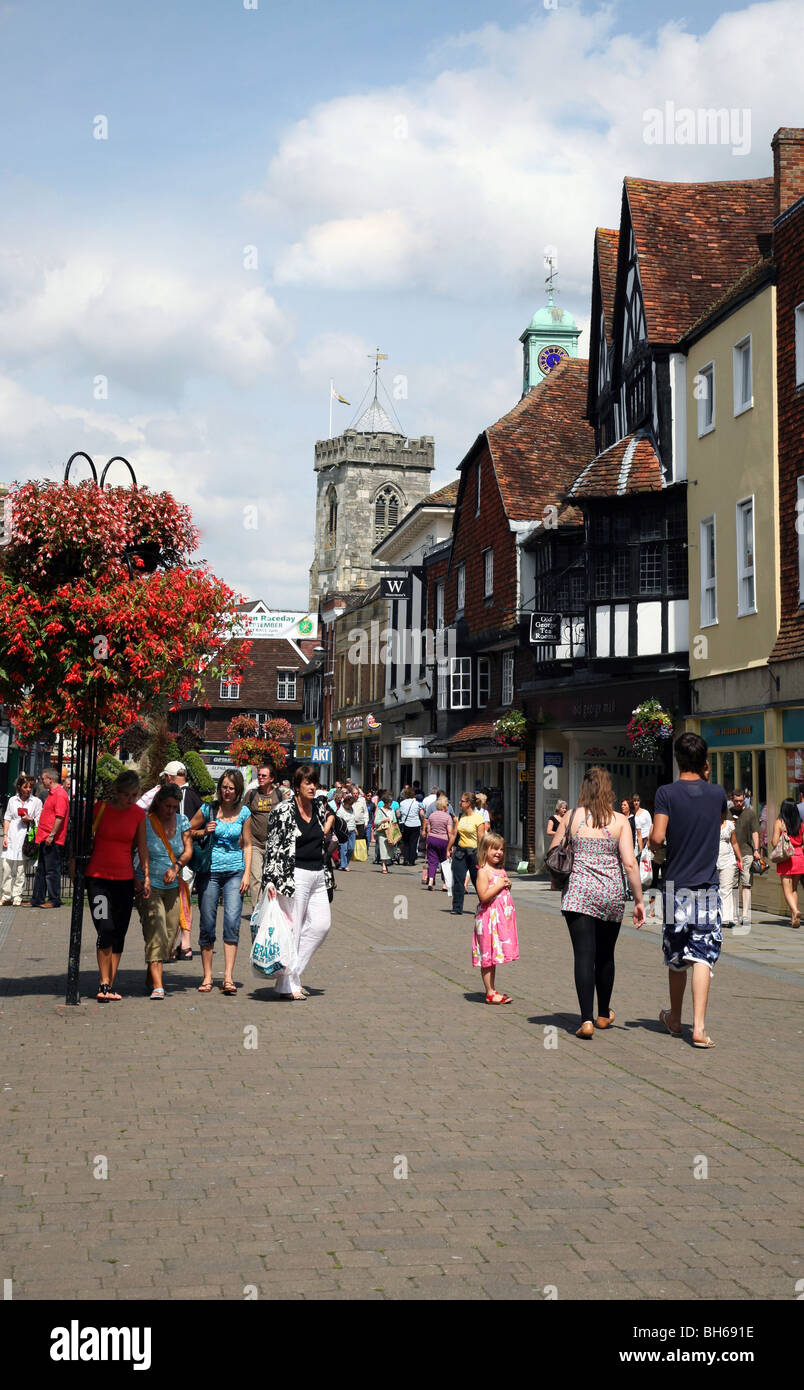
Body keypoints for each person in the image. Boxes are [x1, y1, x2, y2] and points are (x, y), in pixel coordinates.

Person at [551, 768, 644, 1039]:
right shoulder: (619, 821)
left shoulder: (572, 817)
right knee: (605, 955)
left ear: (584, 789)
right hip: (611, 895)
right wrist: (639, 900)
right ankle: (604, 1014)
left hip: (578, 894)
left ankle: (586, 1020)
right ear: (608, 790)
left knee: (583, 955)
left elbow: (552, 851)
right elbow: (629, 863)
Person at [650, 732, 726, 1049]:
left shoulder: (666, 793)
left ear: (678, 759)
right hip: (707, 886)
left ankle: (675, 1018)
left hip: (675, 886)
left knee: (677, 957)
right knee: (702, 957)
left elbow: (656, 837)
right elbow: (721, 823)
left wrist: (662, 850)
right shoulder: (717, 794)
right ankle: (699, 1028)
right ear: (704, 761)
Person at [261, 764, 335, 999]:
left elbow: (333, 831)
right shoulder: (282, 811)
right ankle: (289, 983)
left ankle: (290, 974)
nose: (313, 787)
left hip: (318, 874)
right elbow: (271, 847)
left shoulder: (319, 808)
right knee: (293, 928)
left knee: (321, 925)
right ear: (296, 787)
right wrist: (270, 880)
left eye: (314, 782)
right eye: (307, 783)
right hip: (294, 875)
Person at [86, 771, 149, 1002]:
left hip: (124, 881)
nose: (130, 800)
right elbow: (84, 839)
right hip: (98, 879)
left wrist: (146, 875)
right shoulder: (100, 809)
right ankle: (103, 982)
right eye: (126, 795)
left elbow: (142, 847)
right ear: (116, 792)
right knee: (105, 927)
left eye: (134, 795)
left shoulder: (138, 815)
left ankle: (109, 984)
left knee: (119, 931)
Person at [190, 769, 252, 996]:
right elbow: (187, 829)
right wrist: (203, 831)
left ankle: (228, 976)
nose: (227, 791)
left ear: (238, 791)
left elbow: (247, 844)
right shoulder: (208, 809)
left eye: (232, 788)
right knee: (207, 922)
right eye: (224, 787)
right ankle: (207, 976)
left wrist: (246, 874)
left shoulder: (244, 812)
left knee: (232, 922)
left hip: (235, 872)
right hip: (210, 872)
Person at [134, 783, 193, 998]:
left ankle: (152, 974)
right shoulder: (146, 822)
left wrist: (176, 867)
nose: (170, 811)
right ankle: (158, 985)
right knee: (155, 932)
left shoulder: (183, 821)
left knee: (169, 934)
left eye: (174, 807)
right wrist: (137, 878)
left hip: (172, 885)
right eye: (167, 806)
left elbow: (188, 851)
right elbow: (135, 850)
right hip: (149, 885)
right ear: (158, 802)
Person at [473, 831, 519, 1004]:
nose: (499, 852)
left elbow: (501, 892)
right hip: (488, 920)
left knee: (493, 956)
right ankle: (489, 992)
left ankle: (492, 989)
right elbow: (483, 896)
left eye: (501, 849)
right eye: (494, 849)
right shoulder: (483, 872)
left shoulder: (500, 870)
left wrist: (507, 884)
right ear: (485, 850)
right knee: (487, 956)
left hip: (499, 921)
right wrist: (499, 885)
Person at [31, 767, 70, 909]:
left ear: (50, 779)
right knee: (42, 869)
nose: (42, 781)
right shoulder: (52, 794)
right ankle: (37, 898)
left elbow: (59, 817)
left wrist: (52, 835)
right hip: (45, 836)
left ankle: (54, 899)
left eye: (43, 779)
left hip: (51, 838)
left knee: (52, 870)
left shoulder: (60, 794)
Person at [2, 774, 42, 905]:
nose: (28, 789)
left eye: (30, 787)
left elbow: (39, 819)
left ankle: (17, 895)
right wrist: (5, 836)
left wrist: (30, 819)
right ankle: (5, 895)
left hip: (26, 836)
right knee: (6, 867)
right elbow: (7, 818)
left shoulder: (36, 802)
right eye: (26, 787)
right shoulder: (12, 800)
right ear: (19, 787)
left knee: (21, 869)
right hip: (12, 834)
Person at [244, 765, 280, 909]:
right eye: (259, 775)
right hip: (254, 843)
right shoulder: (251, 794)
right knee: (256, 878)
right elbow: (243, 815)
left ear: (271, 779)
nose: (260, 778)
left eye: (264, 776)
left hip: (273, 844)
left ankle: (272, 909)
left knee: (272, 879)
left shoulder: (278, 795)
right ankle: (257, 911)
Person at [446, 793, 486, 916]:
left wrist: (482, 855)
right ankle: (457, 907)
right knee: (458, 880)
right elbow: (453, 834)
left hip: (474, 853)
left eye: (462, 801)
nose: (460, 803)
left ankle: (485, 906)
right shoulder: (460, 817)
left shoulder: (479, 819)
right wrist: (448, 849)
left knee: (477, 880)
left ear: (468, 803)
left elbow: (481, 839)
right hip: (460, 852)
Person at [771, 799, 804, 928]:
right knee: (794, 889)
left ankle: (795, 911)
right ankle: (793, 918)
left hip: (786, 858)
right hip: (799, 857)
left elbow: (774, 842)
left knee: (787, 890)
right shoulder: (801, 824)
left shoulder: (779, 823)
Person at [729, 789, 760, 927]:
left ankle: (745, 914)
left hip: (747, 852)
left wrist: (757, 850)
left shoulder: (750, 813)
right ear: (732, 799)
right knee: (733, 885)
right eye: (736, 801)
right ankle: (734, 914)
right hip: (731, 854)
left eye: (741, 800)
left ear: (744, 799)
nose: (739, 803)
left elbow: (755, 832)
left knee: (746, 883)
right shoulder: (728, 813)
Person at [717, 807, 742, 929]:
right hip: (712, 860)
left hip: (728, 860)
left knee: (726, 888)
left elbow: (734, 842)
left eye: (722, 812)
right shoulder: (709, 824)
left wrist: (740, 858)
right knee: (714, 889)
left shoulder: (730, 825)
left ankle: (726, 918)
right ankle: (715, 915)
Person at [424, 794, 454, 890]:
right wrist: (451, 845)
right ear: (445, 806)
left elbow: (428, 830)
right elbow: (449, 832)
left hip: (432, 839)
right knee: (445, 862)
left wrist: (427, 842)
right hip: (443, 841)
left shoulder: (432, 815)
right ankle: (445, 884)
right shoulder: (447, 817)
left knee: (432, 862)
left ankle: (431, 880)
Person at [398, 786, 425, 866]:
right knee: (413, 842)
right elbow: (422, 814)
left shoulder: (402, 803)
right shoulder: (417, 804)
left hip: (405, 824)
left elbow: (399, 814)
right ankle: (412, 860)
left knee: (406, 842)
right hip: (416, 825)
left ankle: (406, 859)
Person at [373, 792, 398, 874]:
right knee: (383, 849)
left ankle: (386, 863)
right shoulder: (380, 811)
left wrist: (396, 832)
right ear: (385, 802)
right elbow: (376, 822)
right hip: (382, 833)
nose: (391, 804)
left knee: (390, 849)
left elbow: (395, 821)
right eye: (389, 802)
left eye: (391, 802)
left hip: (390, 833)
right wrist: (383, 820)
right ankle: (383, 865)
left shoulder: (392, 810)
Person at [546, 800, 568, 890]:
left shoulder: (566, 818)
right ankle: (554, 883)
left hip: (566, 843)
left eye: (565, 808)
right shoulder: (552, 818)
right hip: (557, 842)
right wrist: (559, 833)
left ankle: (563, 882)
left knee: (565, 862)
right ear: (558, 808)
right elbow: (548, 831)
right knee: (555, 862)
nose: (564, 810)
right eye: (563, 808)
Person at [338, 794, 357, 870]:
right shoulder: (340, 811)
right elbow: (338, 823)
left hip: (352, 831)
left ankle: (345, 863)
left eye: (351, 804)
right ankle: (344, 865)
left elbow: (353, 819)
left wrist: (355, 828)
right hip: (344, 832)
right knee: (344, 848)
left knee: (351, 848)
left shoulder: (351, 809)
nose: (350, 806)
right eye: (349, 804)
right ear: (345, 803)